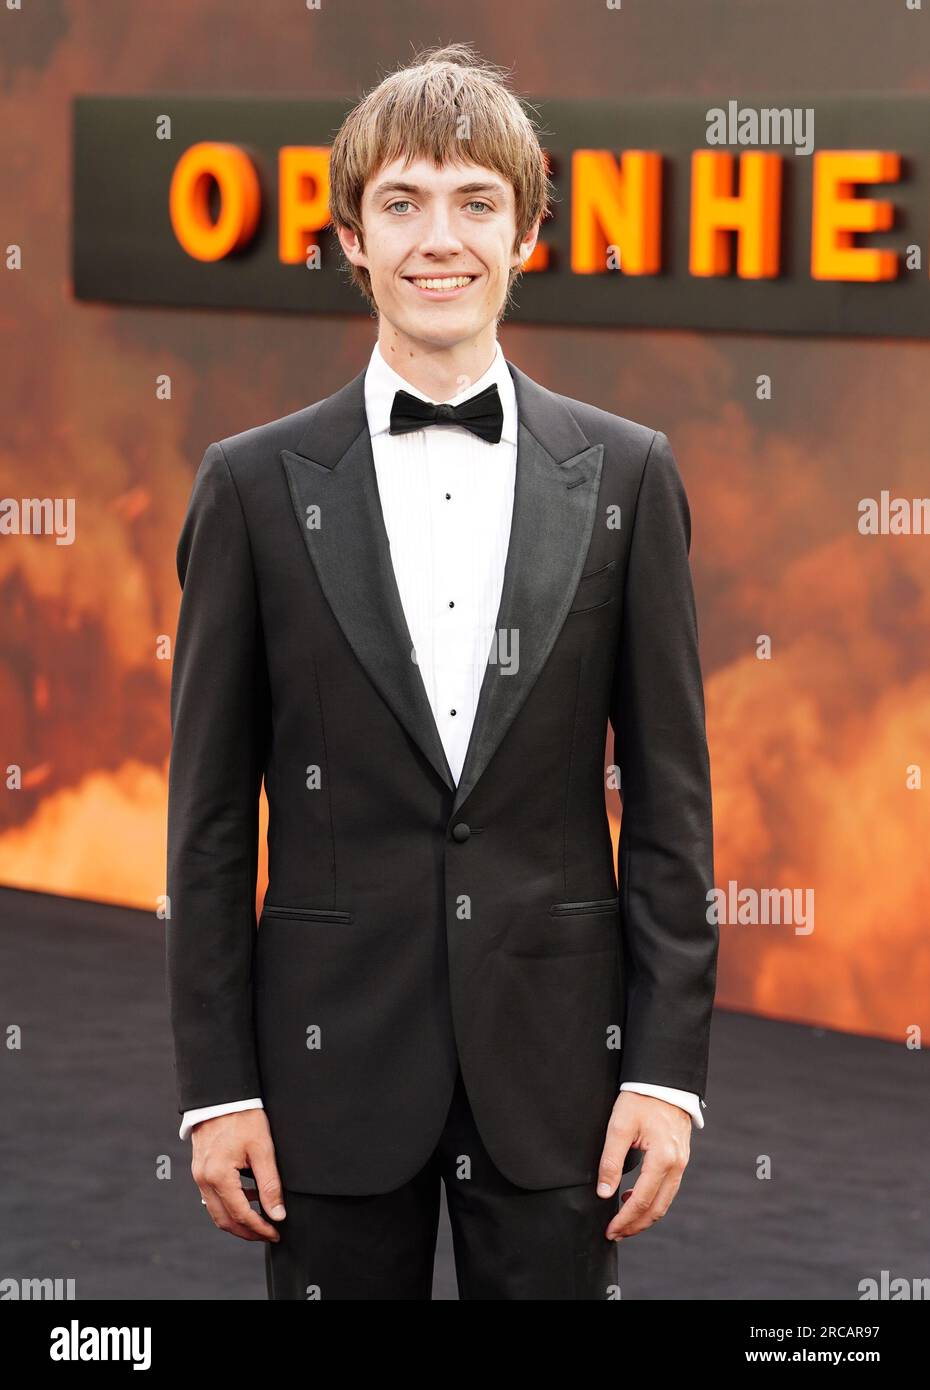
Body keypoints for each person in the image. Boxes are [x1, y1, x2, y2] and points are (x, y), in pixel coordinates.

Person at [166, 42, 717, 1301]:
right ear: (352, 237)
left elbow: (673, 802)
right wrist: (217, 1090)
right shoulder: (250, 487)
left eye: (477, 203)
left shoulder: (630, 474)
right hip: (323, 1080)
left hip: (564, 1078)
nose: (439, 240)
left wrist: (665, 1072)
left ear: (526, 233)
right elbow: (205, 821)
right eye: (402, 203)